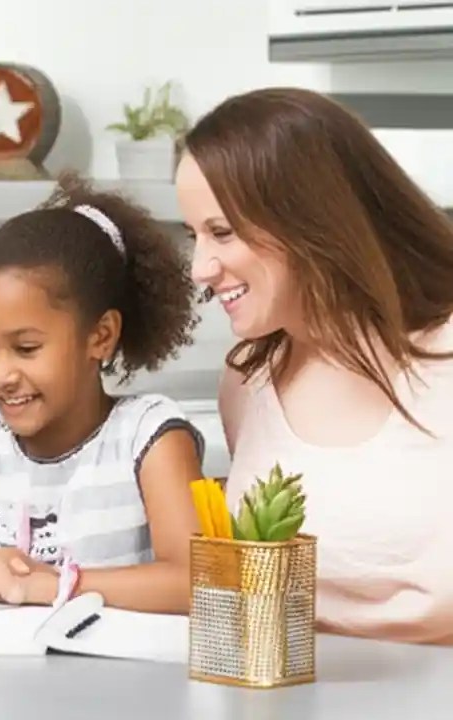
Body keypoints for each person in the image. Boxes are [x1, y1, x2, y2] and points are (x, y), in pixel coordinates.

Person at [179, 87, 453, 646]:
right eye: (194, 235)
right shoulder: (246, 380)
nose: (199, 268)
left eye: (221, 232)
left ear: (308, 220)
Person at [0, 173, 204, 616]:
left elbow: (197, 581)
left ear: (101, 337)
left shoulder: (149, 438)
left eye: (26, 348)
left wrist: (52, 585)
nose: (1, 373)